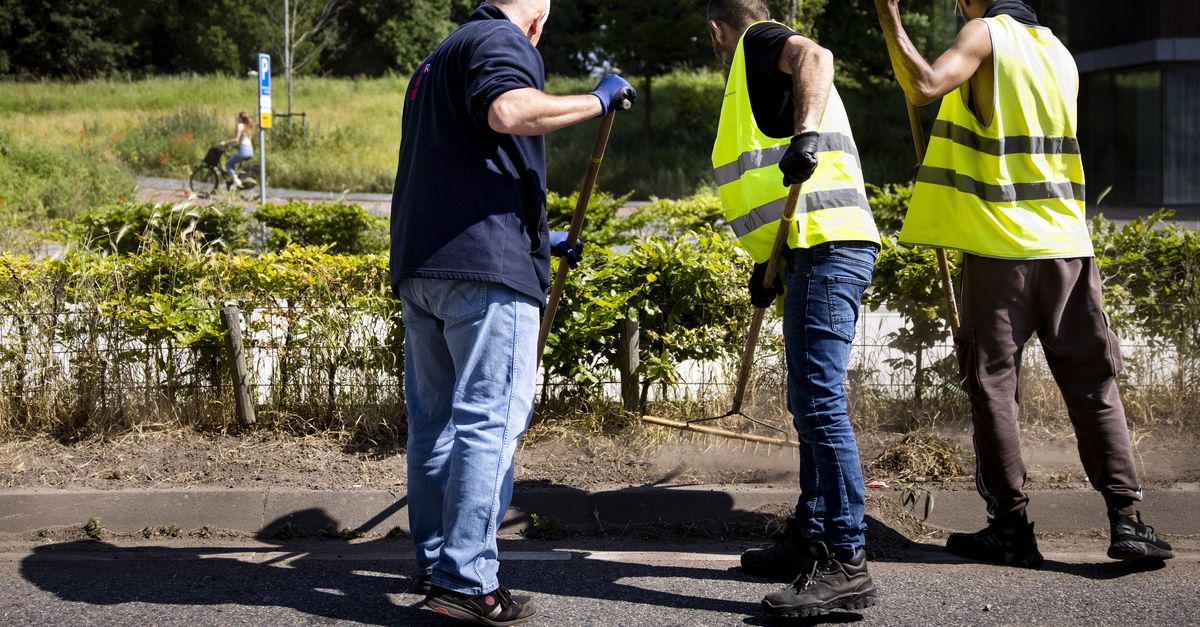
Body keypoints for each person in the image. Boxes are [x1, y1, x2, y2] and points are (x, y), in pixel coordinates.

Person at [874, 0, 1174, 566]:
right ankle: (1128, 521)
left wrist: (890, 18)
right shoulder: (1059, 52)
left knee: (993, 390)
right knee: (1093, 385)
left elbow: (923, 86)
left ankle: (1010, 529)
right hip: (1067, 245)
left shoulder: (985, 34)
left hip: (1000, 250)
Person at [389, 0, 635, 624]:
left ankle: (438, 561)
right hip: (485, 275)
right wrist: (596, 100)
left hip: (427, 265)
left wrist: (538, 237)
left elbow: (465, 164)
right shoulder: (504, 40)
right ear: (537, 22)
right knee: (487, 423)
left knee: (434, 426)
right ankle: (469, 580)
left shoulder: (439, 56)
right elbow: (509, 111)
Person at [706, 0, 881, 618]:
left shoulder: (756, 41)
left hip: (829, 246)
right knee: (807, 399)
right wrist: (769, 264)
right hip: (808, 249)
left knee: (818, 399)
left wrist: (805, 136)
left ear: (716, 30)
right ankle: (811, 537)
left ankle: (844, 560)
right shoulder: (753, 71)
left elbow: (815, 55)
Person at [220, 112, 254, 189]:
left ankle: (236, 180)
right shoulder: (248, 127)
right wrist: (232, 146)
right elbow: (243, 142)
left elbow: (236, 139)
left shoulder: (240, 126)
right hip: (250, 150)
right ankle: (236, 180)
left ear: (240, 118)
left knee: (228, 164)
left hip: (243, 151)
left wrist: (225, 143)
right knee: (235, 163)